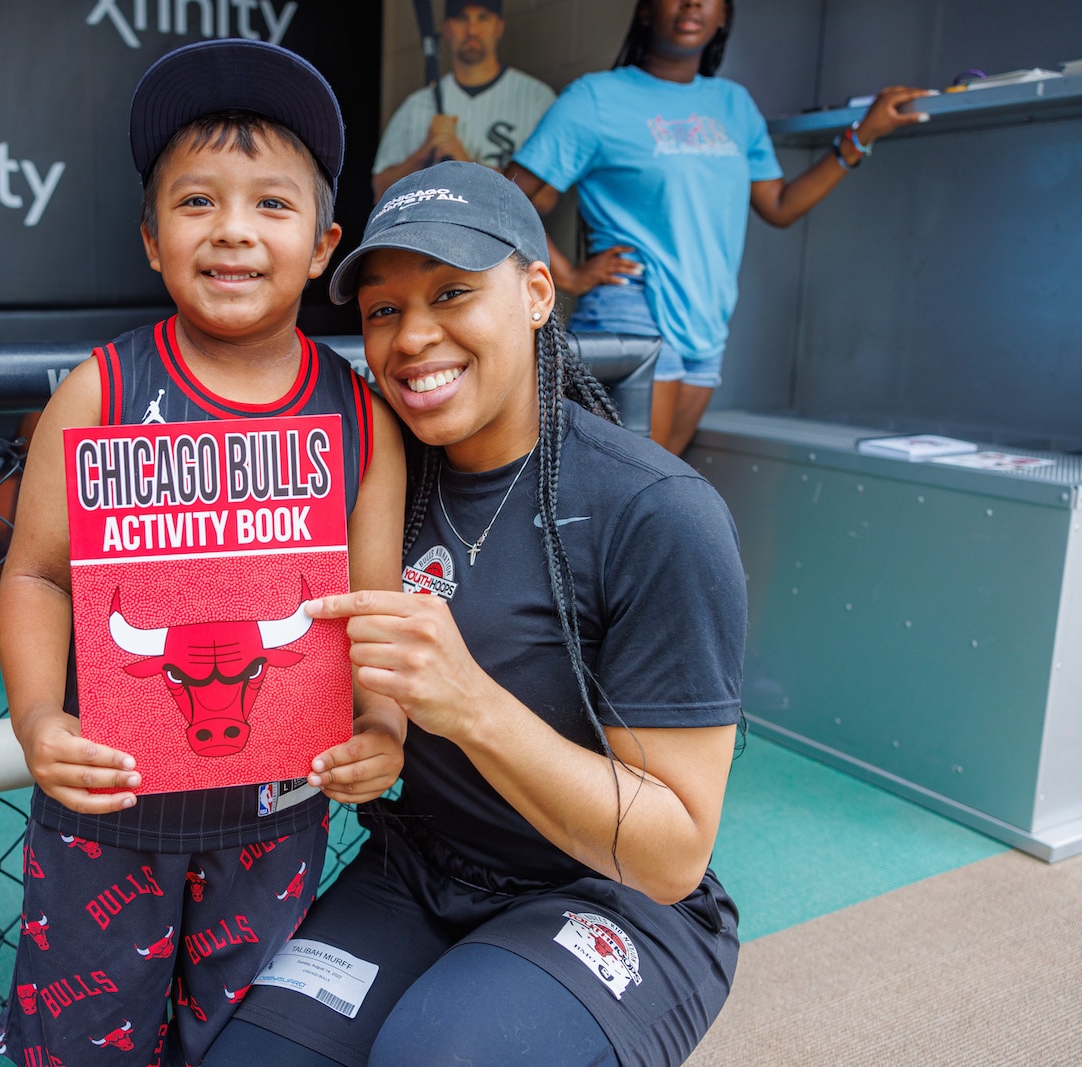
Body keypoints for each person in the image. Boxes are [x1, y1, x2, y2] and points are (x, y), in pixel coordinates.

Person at [202, 161, 748, 1067]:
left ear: (537, 293)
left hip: (609, 895)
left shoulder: (656, 511)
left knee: (440, 1057)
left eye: (452, 292)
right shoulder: (376, 477)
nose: (413, 337)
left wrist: (471, 703)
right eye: (382, 310)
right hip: (422, 869)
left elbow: (670, 854)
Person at [0, 39, 407, 1067]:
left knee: (247, 1047)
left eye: (272, 203)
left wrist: (385, 723)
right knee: (82, 1046)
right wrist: (39, 718)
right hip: (107, 814)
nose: (232, 230)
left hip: (280, 818)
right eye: (195, 202)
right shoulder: (100, 392)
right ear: (149, 238)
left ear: (322, 244)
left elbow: (378, 602)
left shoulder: (361, 418)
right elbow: (35, 573)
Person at [506, 0, 932, 455]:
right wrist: (569, 275)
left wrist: (860, 135)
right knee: (633, 481)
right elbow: (509, 193)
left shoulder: (733, 104)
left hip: (707, 315)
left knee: (662, 479)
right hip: (634, 305)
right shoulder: (596, 98)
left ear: (724, 15)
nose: (693, 3)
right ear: (647, 10)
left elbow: (780, 205)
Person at [371, 0, 556, 199]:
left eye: (483, 17)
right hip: (435, 226)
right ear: (447, 29)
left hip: (501, 230)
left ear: (499, 26)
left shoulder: (537, 99)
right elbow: (379, 191)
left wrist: (466, 164)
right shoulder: (416, 105)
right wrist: (424, 152)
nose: (472, 29)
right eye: (462, 19)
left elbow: (546, 200)